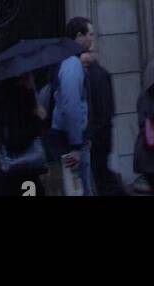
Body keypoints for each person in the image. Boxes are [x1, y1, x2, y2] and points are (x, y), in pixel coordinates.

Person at [52, 16, 95, 195]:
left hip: (69, 139)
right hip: (71, 142)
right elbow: (71, 106)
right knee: (80, 190)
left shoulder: (67, 61)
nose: (93, 38)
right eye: (90, 34)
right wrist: (76, 146)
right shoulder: (72, 64)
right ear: (79, 36)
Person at [0, 72, 47, 198]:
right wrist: (39, 120)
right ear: (22, 80)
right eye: (29, 77)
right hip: (22, 172)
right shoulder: (20, 102)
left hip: (10, 174)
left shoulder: (5, 100)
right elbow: (16, 140)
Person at [82, 47, 123, 196]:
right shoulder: (99, 74)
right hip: (102, 133)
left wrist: (93, 133)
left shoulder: (95, 75)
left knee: (101, 174)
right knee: (102, 172)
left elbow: (103, 109)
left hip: (99, 135)